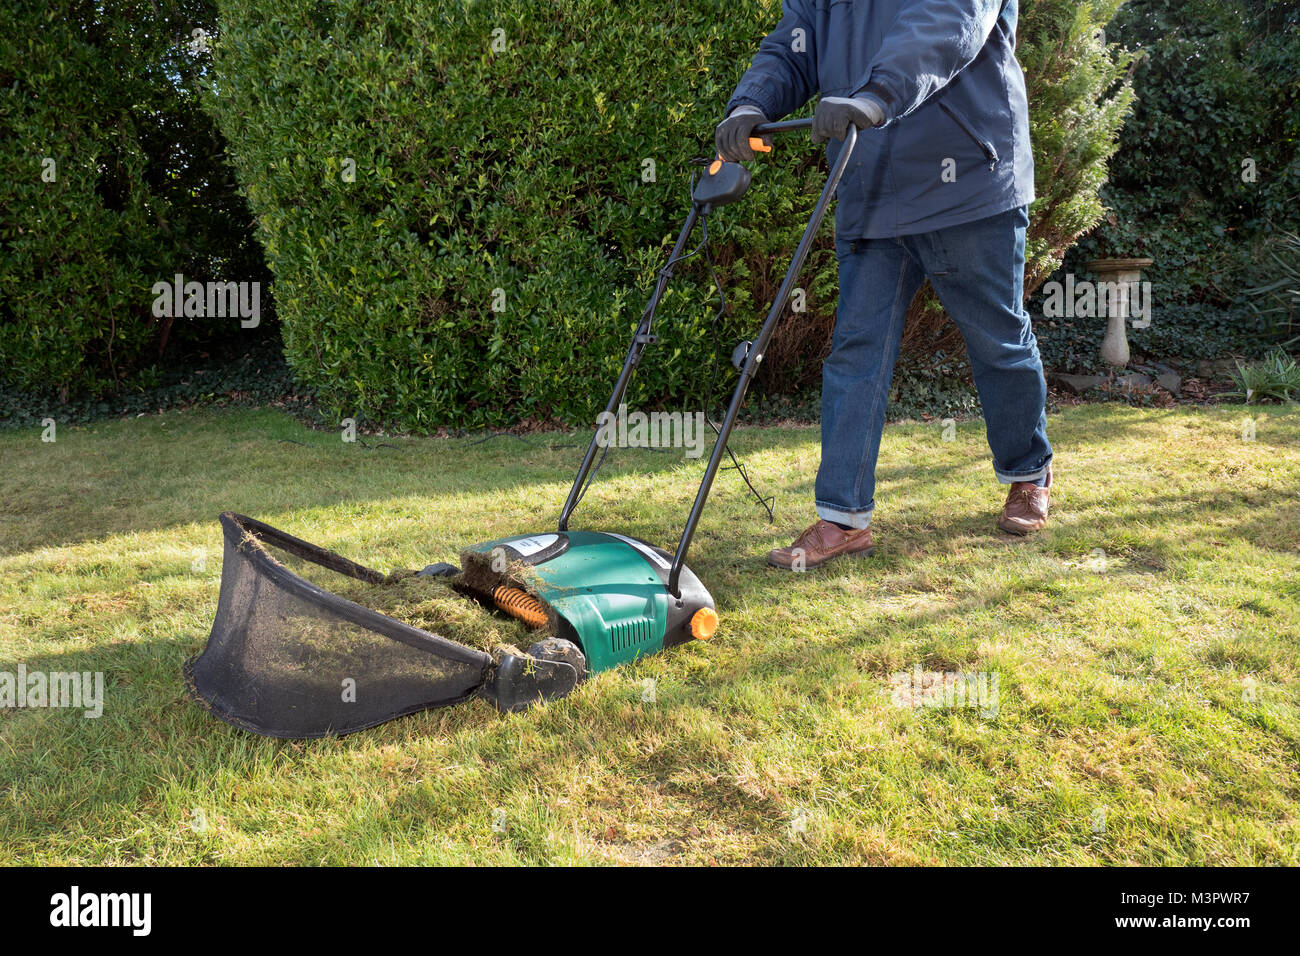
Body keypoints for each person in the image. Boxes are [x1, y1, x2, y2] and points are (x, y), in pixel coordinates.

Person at [715, 0, 1054, 570]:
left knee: (997, 337)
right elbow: (794, 45)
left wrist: (876, 93)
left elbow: (949, 23)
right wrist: (752, 103)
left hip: (967, 181)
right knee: (856, 352)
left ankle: (1028, 474)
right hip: (872, 185)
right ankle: (842, 518)